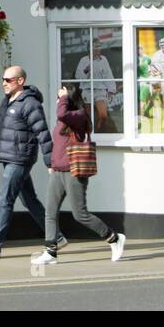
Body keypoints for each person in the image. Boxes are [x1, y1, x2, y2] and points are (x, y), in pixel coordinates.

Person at [0, 65, 56, 258]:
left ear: (20, 81)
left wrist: (50, 162)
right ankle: (57, 236)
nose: (3, 83)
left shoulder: (30, 104)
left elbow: (43, 133)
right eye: (3, 79)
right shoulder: (7, 102)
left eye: (8, 80)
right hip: (9, 158)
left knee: (4, 200)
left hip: (20, 159)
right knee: (30, 201)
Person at [31, 83, 125, 266]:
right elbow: (58, 142)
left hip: (74, 171)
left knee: (80, 214)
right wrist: (51, 163)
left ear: (69, 98)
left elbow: (62, 113)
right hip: (58, 171)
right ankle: (50, 251)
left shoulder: (79, 116)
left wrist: (64, 98)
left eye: (62, 97)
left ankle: (114, 238)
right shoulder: (65, 118)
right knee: (49, 213)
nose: (59, 100)